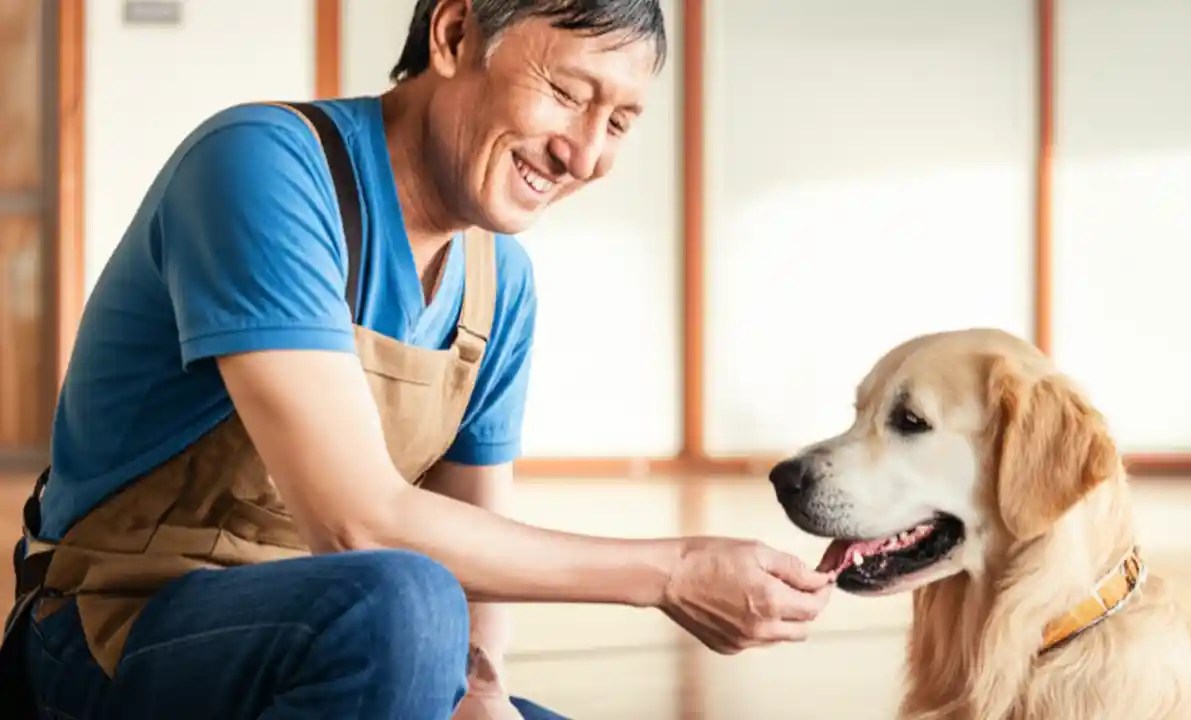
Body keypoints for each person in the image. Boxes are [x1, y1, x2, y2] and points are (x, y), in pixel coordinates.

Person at [0, 1, 835, 718]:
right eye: (568, 94)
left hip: (347, 648)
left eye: (616, 123)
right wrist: (672, 571)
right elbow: (356, 521)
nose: (583, 155)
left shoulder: (498, 282)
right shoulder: (263, 165)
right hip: (108, 637)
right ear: (454, 32)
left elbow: (477, 563)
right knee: (404, 598)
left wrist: (484, 685)